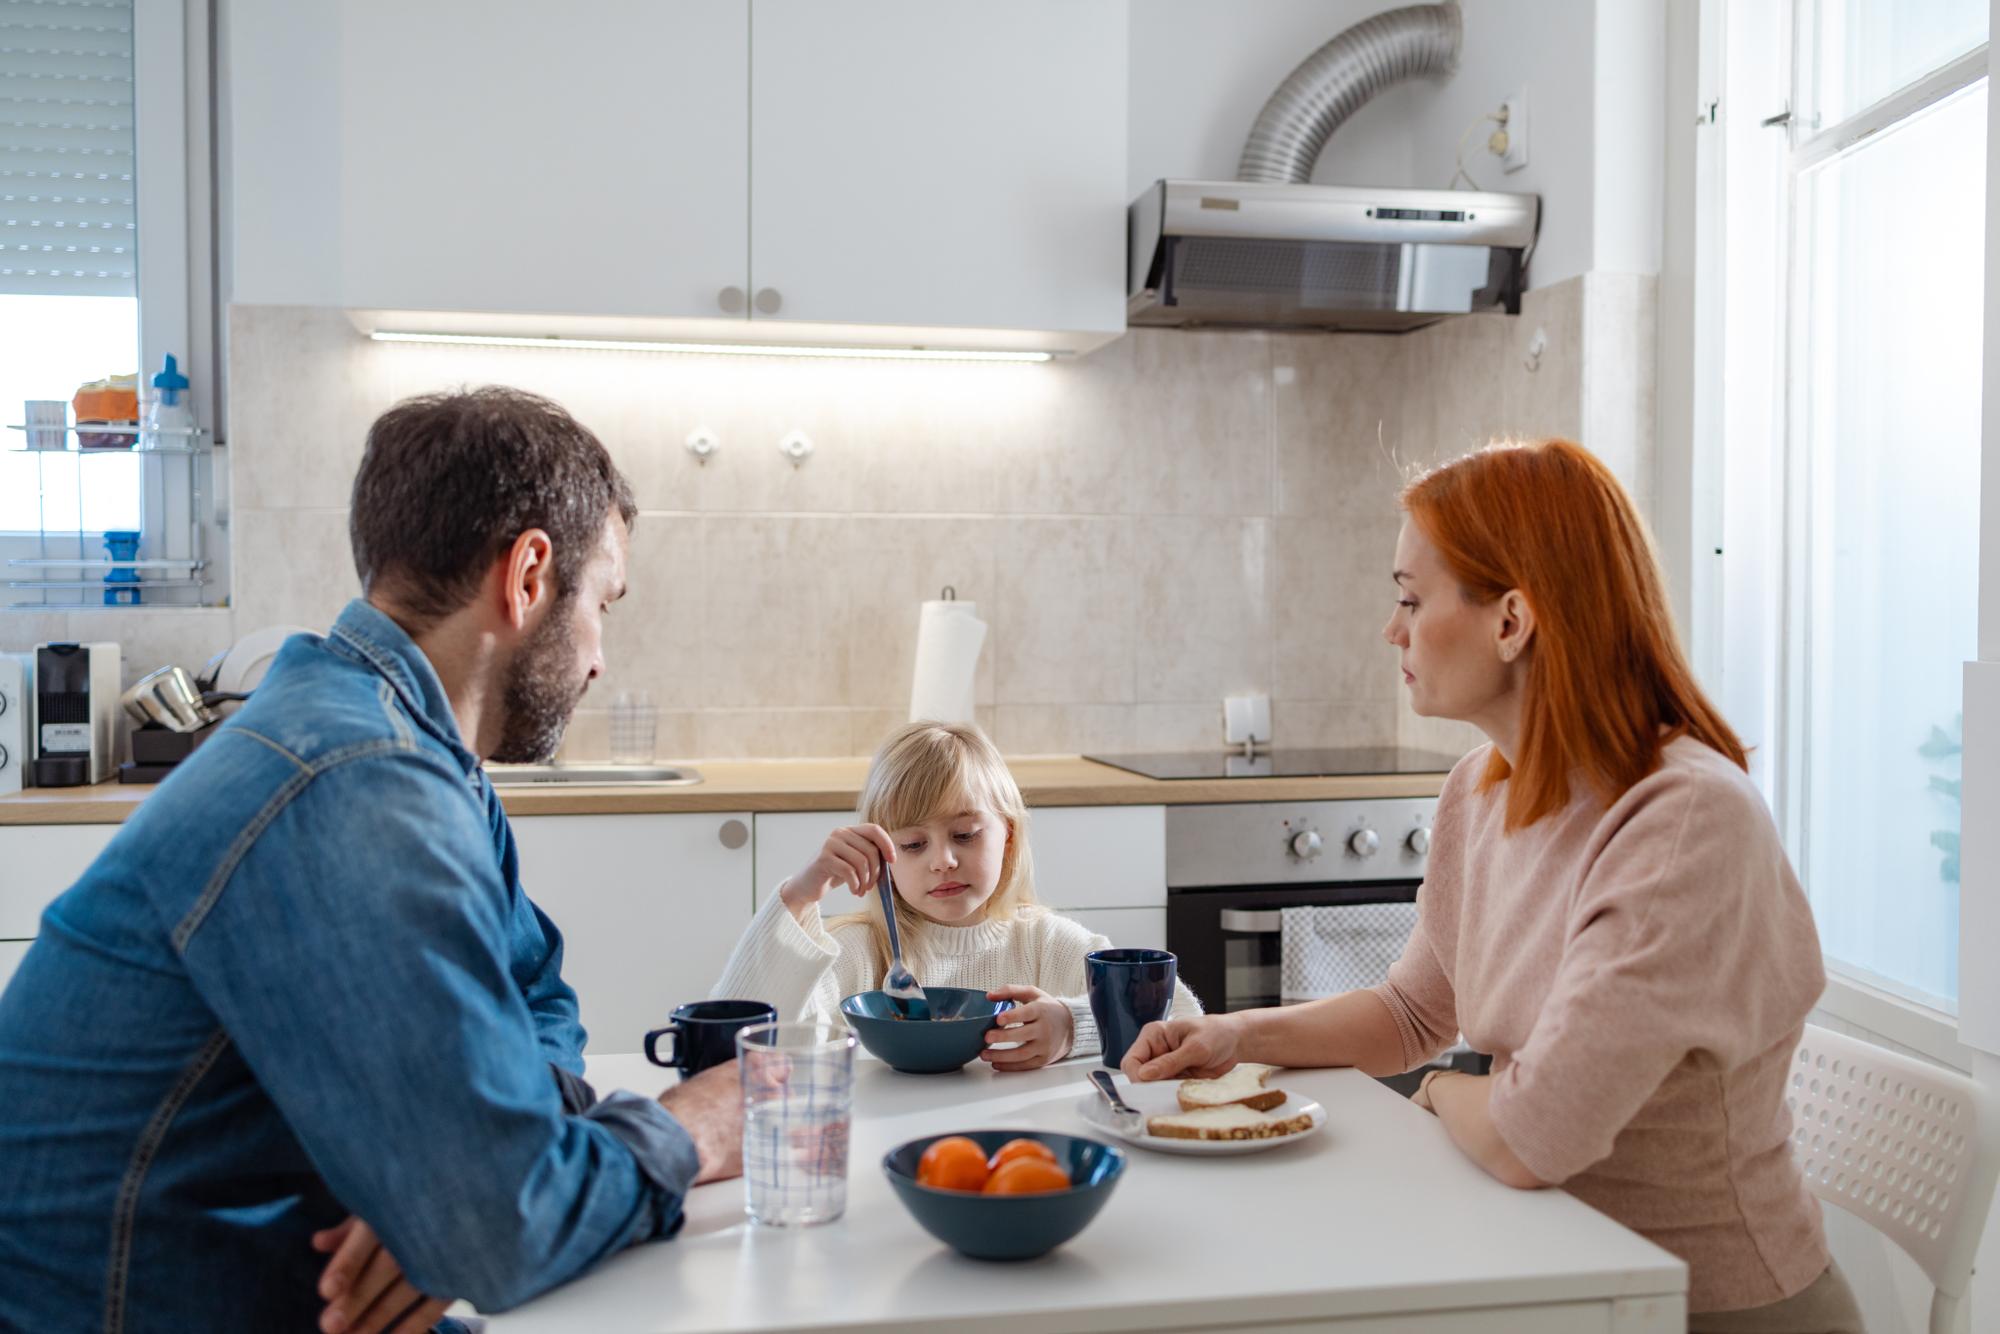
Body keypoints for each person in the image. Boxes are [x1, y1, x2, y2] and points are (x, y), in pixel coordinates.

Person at [0, 387, 740, 1334]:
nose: (598, 656)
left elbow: (535, 1000)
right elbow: (497, 1235)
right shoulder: (357, 779)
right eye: (603, 603)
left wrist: (450, 1160)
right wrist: (699, 1122)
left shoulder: (410, 749)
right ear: (527, 575)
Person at [1121, 439, 1864, 1333]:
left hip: (1695, 1301)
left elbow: (1525, 1138)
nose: (1391, 629)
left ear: (1511, 621)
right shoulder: (1484, 786)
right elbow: (1410, 1015)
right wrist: (1234, 1036)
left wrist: (1440, 1092)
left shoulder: (1682, 822)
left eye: (1409, 597)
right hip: (1542, 1258)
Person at [712, 720, 1200, 1068]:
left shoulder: (1049, 944)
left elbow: (1184, 1022)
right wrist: (800, 895)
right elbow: (732, 1042)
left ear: (1006, 834)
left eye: (965, 835)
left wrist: (1073, 1027)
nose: (942, 860)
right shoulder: (858, 954)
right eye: (912, 844)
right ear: (883, 853)